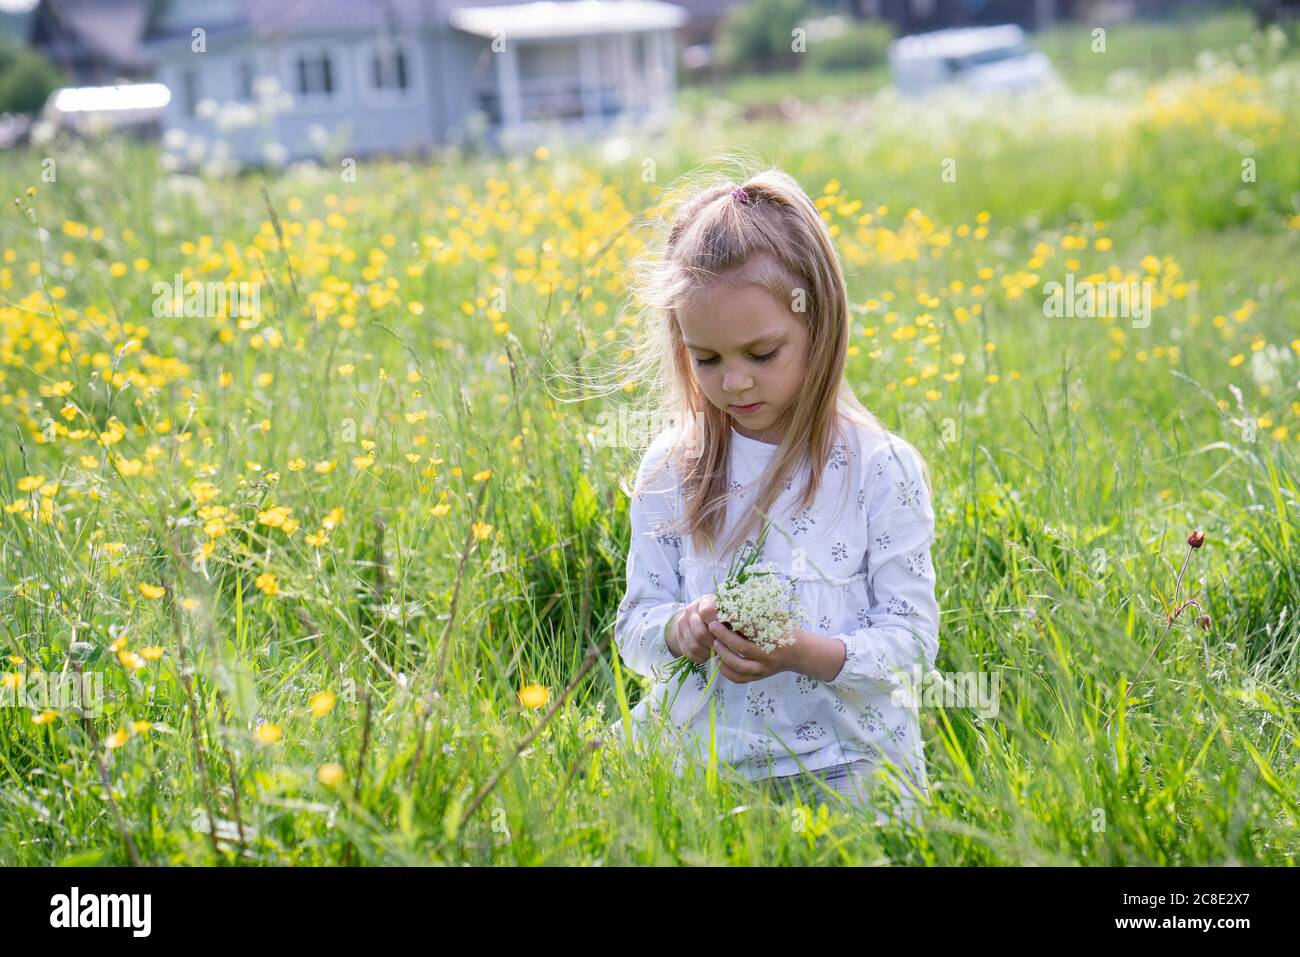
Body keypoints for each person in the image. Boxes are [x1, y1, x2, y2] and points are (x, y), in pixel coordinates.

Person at [610, 167, 939, 828]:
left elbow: (913, 645)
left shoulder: (881, 468)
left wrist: (801, 650)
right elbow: (633, 629)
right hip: (709, 761)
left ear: (819, 324)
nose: (734, 381)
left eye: (762, 353)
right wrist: (683, 628)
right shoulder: (673, 467)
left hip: (850, 762)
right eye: (706, 358)